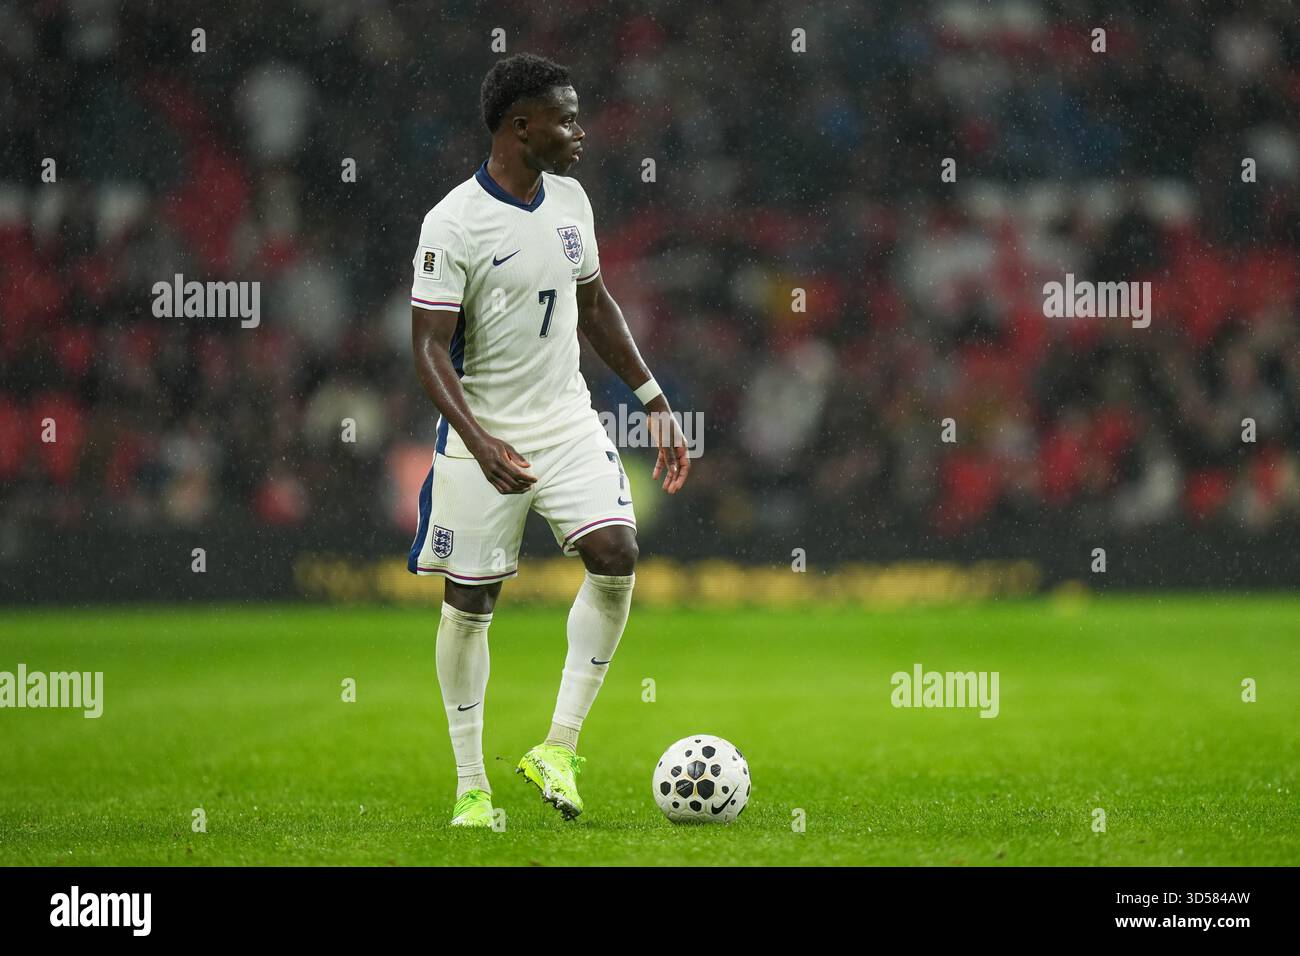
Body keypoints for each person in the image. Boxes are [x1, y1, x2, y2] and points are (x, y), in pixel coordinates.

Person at [408, 53, 691, 827]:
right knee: (470, 602)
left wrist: (653, 398)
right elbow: (429, 347)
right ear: (519, 126)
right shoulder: (452, 222)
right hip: (482, 435)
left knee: (617, 554)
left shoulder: (570, 200)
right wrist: (478, 437)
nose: (581, 132)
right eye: (566, 119)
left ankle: (558, 745)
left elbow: (595, 306)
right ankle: (472, 786)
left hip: (567, 424)